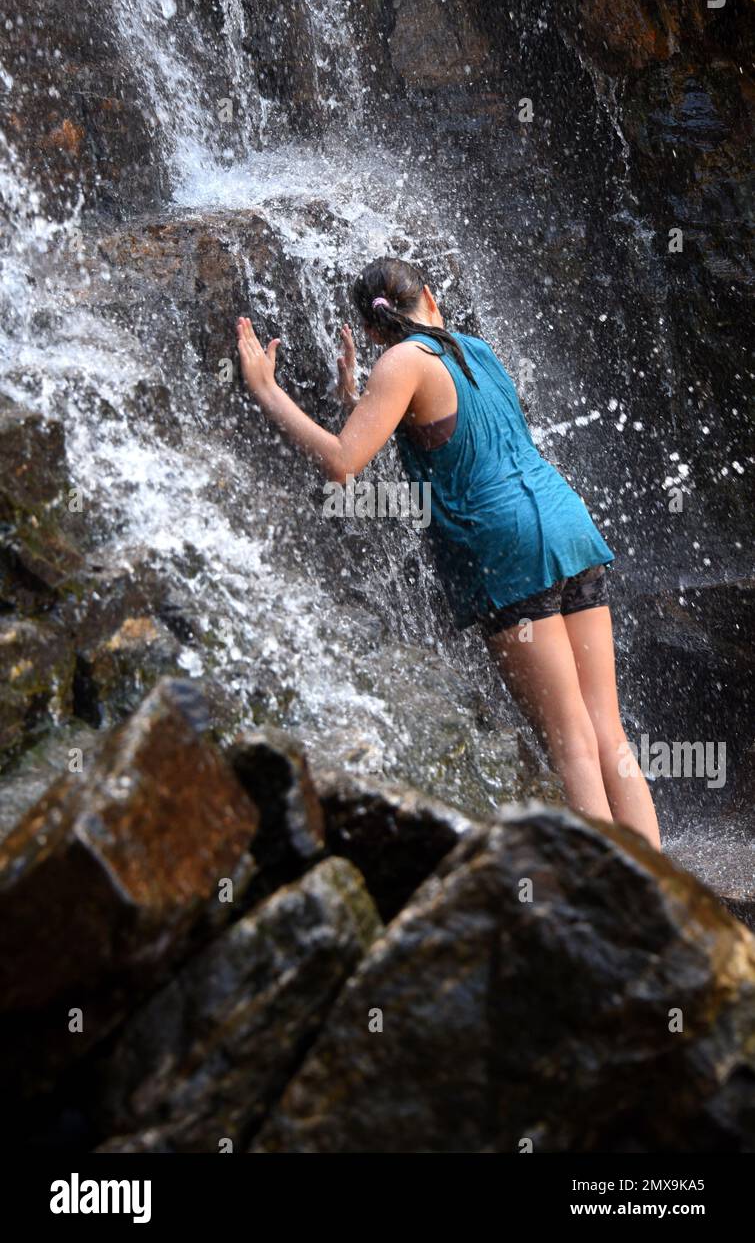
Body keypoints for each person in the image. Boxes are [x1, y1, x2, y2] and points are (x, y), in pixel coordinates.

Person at [236, 255, 661, 850]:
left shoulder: (399, 362)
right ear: (429, 300)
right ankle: (660, 894)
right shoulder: (470, 348)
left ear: (373, 331)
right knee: (607, 732)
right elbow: (443, 424)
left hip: (509, 550)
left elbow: (341, 463)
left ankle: (608, 898)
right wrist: (356, 396)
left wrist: (268, 392)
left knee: (570, 742)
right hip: (567, 526)